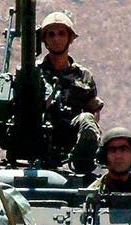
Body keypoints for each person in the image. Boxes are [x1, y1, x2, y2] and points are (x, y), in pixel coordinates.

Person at [37, 11, 103, 173]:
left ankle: (81, 163)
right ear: (45, 39)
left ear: (70, 38)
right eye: (51, 34)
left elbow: (93, 112)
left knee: (87, 120)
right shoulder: (32, 73)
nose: (56, 38)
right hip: (38, 135)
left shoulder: (83, 75)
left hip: (72, 137)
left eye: (61, 33)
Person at [86, 128, 131, 193]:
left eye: (123, 150)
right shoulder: (93, 192)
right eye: (112, 150)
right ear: (104, 156)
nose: (118, 156)